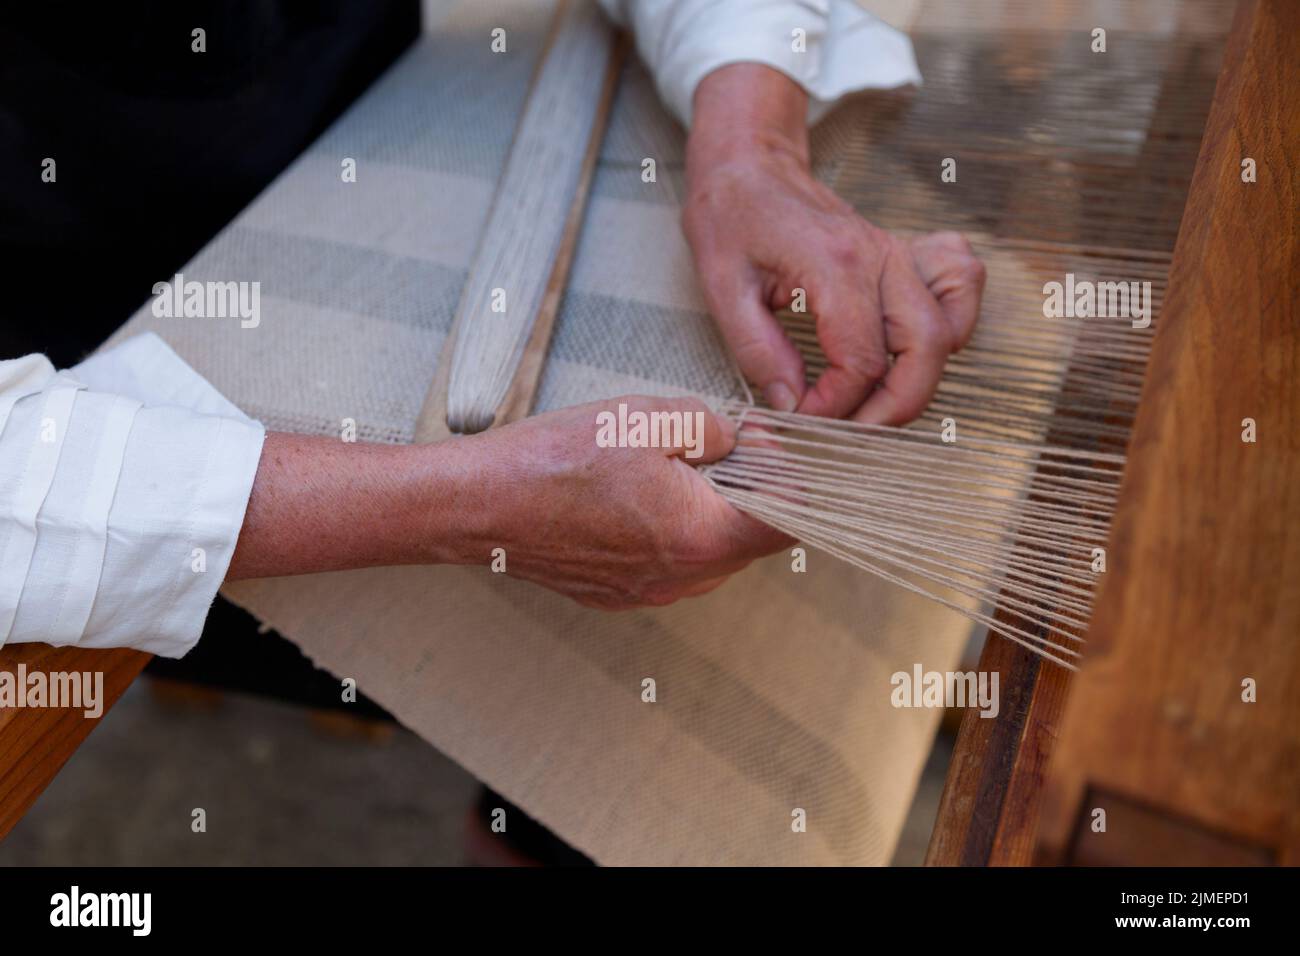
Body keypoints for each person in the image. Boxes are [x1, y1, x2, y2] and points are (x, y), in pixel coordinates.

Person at [0, 0, 984, 658]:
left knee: (746, 609)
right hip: (53, 303)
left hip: (370, 121)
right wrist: (462, 504)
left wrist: (750, 143)